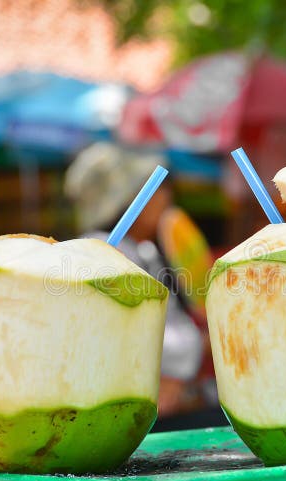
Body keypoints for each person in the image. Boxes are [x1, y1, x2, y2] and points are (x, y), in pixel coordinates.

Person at [65, 143, 204, 417]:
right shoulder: (101, 254)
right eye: (156, 190)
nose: (167, 197)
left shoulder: (144, 250)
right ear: (128, 201)